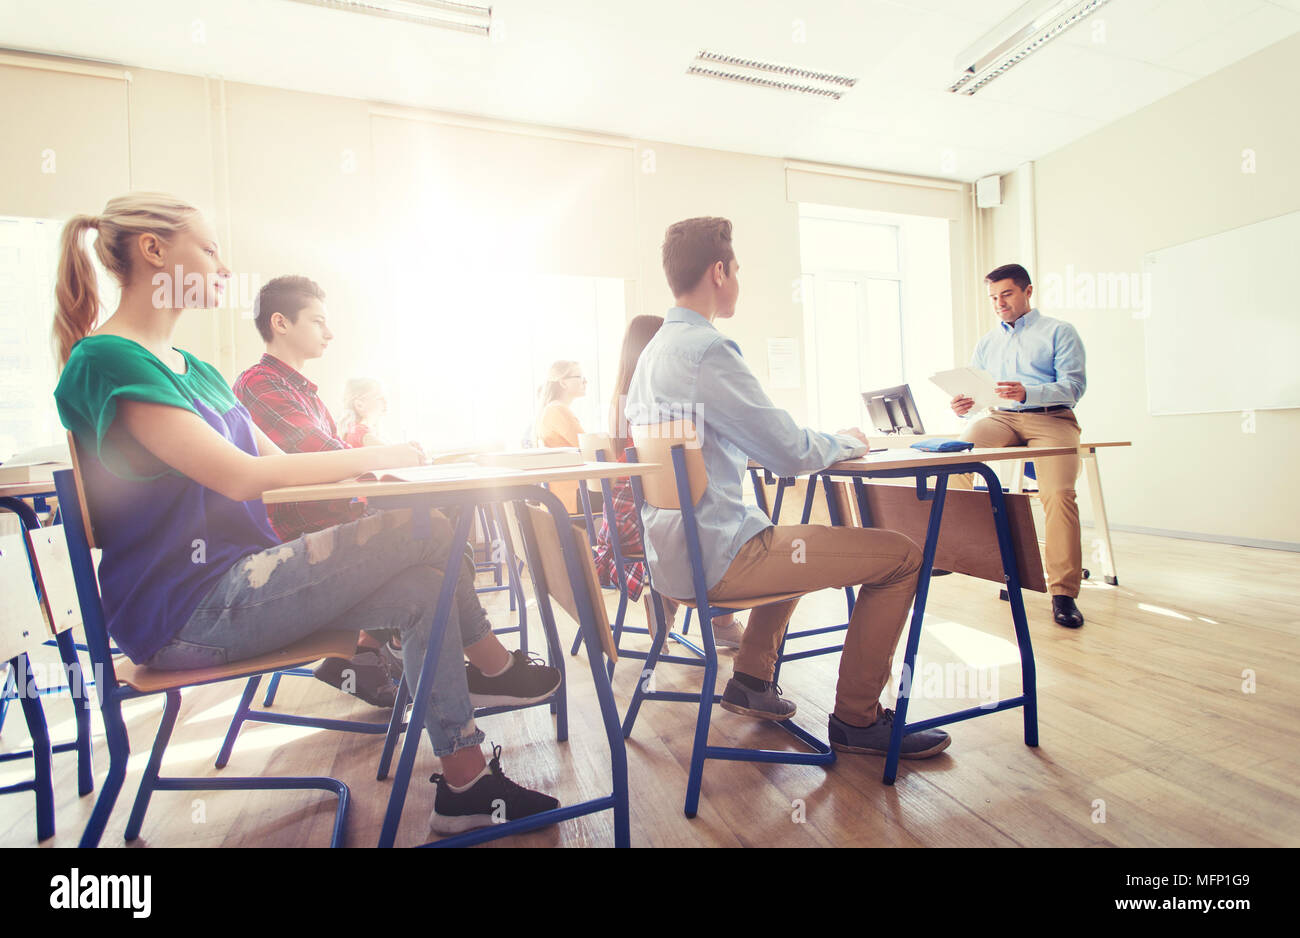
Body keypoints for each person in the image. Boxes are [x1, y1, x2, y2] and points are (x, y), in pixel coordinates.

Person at [52, 193, 560, 832]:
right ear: (155, 252)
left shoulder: (198, 369)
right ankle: (492, 669)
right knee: (431, 526)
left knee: (423, 592)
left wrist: (378, 465)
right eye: (209, 250)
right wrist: (384, 453)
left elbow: (278, 470)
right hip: (185, 611)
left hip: (245, 583)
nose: (223, 268)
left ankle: (466, 782)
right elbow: (241, 476)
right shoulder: (106, 360)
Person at [626, 216, 950, 759]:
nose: (739, 280)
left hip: (673, 558)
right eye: (739, 270)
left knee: (796, 539)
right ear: (720, 271)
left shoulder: (652, 354)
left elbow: (714, 441)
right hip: (720, 559)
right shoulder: (708, 350)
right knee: (903, 558)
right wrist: (847, 441)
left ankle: (752, 679)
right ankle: (857, 720)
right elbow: (791, 453)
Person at [233, 274, 555, 712]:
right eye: (318, 321)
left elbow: (334, 462)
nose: (330, 332)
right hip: (306, 545)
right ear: (281, 323)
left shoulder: (300, 390)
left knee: (443, 544)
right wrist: (384, 459)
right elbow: (319, 454)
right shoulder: (259, 384)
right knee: (440, 538)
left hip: (331, 524)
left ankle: (401, 654)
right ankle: (474, 665)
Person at [949, 263, 1088, 629]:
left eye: (1006, 294)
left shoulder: (1059, 332)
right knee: (956, 457)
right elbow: (979, 394)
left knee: (1058, 494)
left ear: (1028, 291)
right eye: (994, 298)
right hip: (1002, 418)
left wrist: (1031, 392)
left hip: (1052, 417)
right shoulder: (987, 342)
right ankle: (953, 552)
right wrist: (966, 407)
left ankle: (1063, 593)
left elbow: (1074, 387)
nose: (999, 303)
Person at [593, 314, 744, 648]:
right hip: (646, 522)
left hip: (619, 522)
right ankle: (720, 621)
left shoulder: (621, 399)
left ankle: (672, 603)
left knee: (687, 513)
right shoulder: (658, 399)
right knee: (716, 521)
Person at [535, 359, 587, 512]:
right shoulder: (558, 410)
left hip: (566, 495)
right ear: (563, 383)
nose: (585, 381)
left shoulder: (552, 409)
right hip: (573, 496)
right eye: (579, 376)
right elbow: (589, 450)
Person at [340, 377, 386, 448]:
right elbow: (389, 452)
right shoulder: (358, 431)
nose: (385, 401)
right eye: (380, 398)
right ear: (359, 405)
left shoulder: (354, 430)